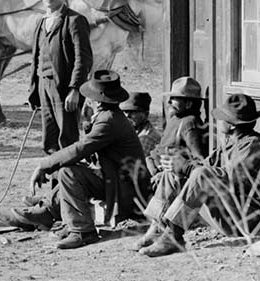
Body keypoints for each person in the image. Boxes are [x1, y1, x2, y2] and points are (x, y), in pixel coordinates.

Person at [138, 94, 260, 257]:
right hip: (229, 210)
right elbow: (205, 165)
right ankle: (158, 228)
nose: (218, 121)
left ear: (231, 125)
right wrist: (178, 164)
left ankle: (174, 237)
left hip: (247, 218)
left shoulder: (253, 145)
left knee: (200, 174)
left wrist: (187, 167)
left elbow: (230, 177)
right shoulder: (231, 142)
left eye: (221, 118)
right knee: (174, 173)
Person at [25, 70, 151, 249]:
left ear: (97, 101)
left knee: (69, 173)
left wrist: (43, 165)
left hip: (127, 189)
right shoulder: (107, 117)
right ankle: (48, 210)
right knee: (70, 168)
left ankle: (82, 231)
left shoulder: (109, 121)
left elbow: (80, 149)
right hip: (117, 179)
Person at [27, 0, 92, 155]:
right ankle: (55, 181)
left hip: (64, 88)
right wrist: (34, 91)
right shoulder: (42, 23)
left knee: (67, 138)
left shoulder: (75, 20)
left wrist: (75, 89)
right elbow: (36, 59)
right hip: (43, 85)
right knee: (49, 140)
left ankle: (68, 182)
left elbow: (83, 58)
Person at [138, 76, 207, 227]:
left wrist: (176, 165)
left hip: (176, 178)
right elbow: (161, 148)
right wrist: (152, 165)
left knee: (168, 177)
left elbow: (200, 161)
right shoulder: (175, 119)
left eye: (175, 99)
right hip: (156, 171)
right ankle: (155, 226)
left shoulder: (190, 124)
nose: (169, 102)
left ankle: (157, 228)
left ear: (188, 103)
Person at [121, 92, 161, 160]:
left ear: (146, 114)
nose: (127, 115)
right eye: (125, 111)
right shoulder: (133, 131)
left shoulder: (146, 138)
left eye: (133, 112)